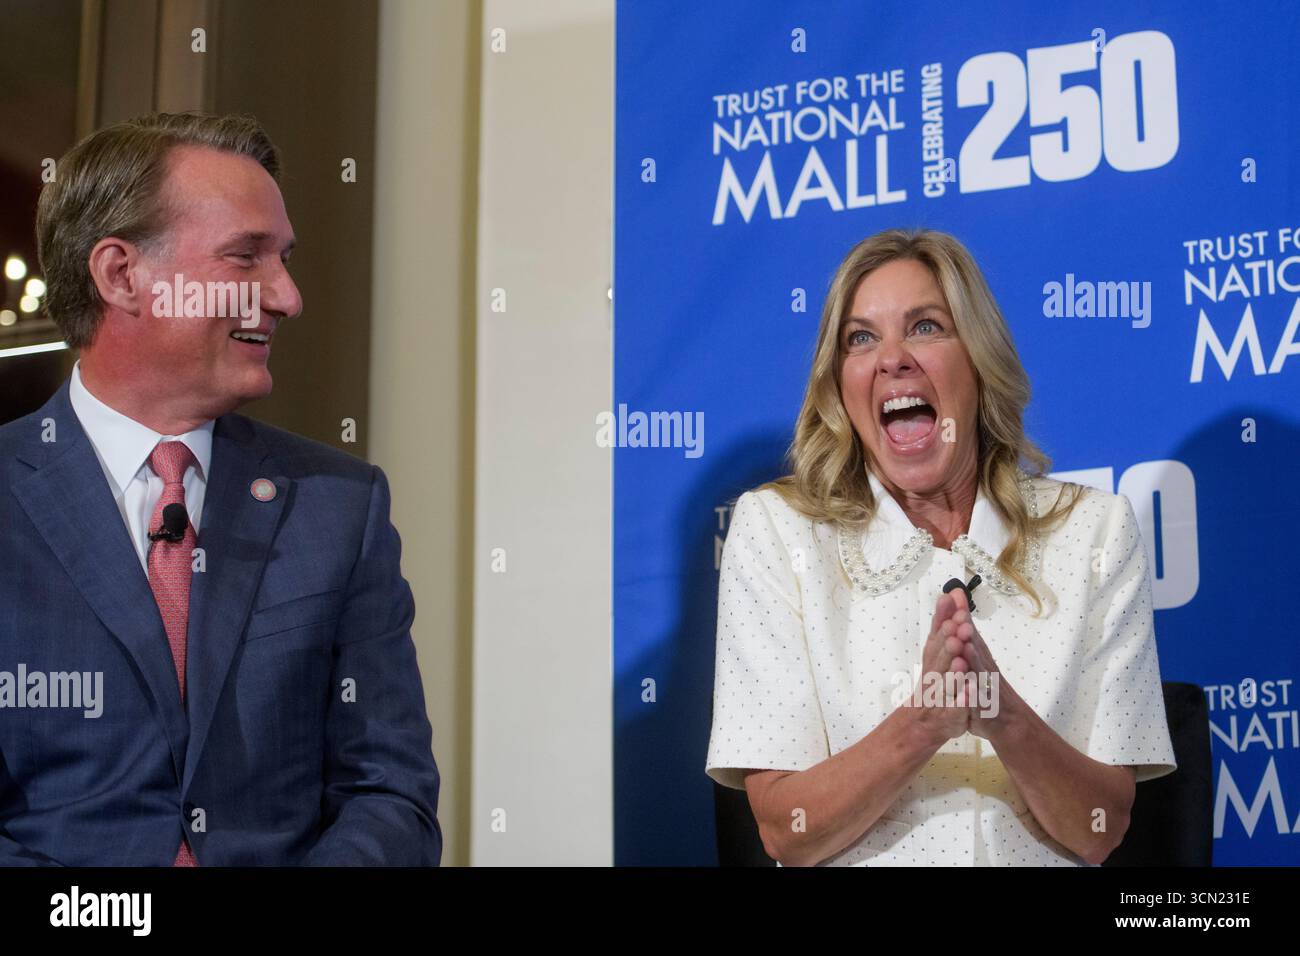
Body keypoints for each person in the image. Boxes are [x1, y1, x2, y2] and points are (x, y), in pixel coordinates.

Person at [0, 112, 441, 865]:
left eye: (284, 260)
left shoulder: (339, 505)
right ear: (122, 274)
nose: (287, 297)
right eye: (246, 259)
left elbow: (390, 794)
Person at [705, 228, 1176, 867]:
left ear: (980, 360)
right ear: (840, 382)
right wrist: (923, 723)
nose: (892, 358)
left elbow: (1100, 828)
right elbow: (787, 832)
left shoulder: (1093, 530)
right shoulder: (777, 533)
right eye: (861, 338)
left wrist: (1001, 713)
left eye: (925, 327)